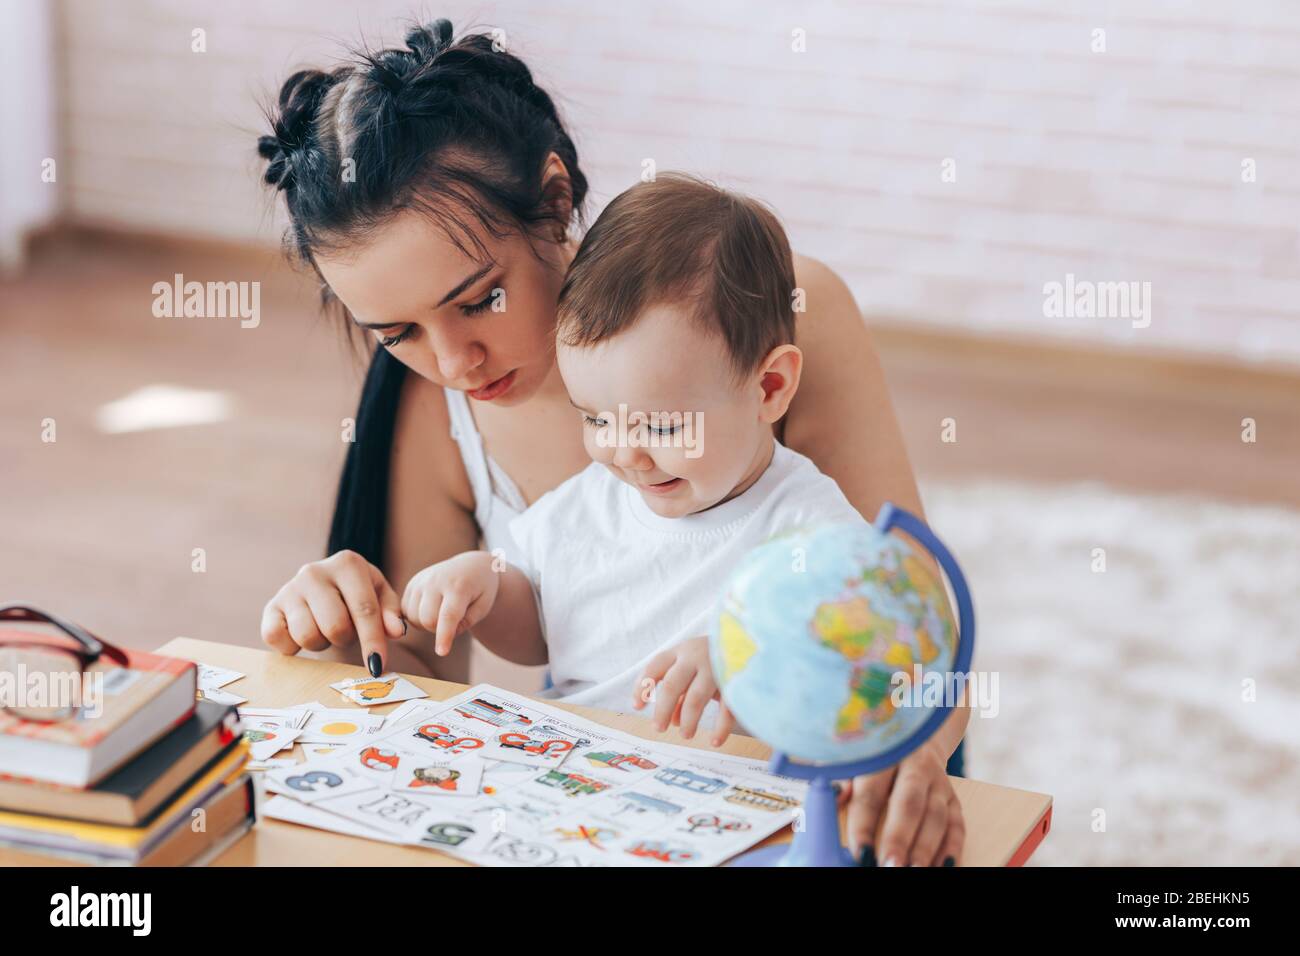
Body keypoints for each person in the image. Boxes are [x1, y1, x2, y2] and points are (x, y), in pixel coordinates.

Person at [256, 19, 968, 866]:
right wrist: (346, 619)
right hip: (613, 802)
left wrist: (902, 751)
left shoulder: (770, 313)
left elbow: (921, 633)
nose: (454, 363)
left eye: (480, 299)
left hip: (807, 783)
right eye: (395, 330)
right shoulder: (428, 403)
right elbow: (422, 675)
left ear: (554, 199)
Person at [401, 174, 868, 752]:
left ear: (769, 387)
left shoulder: (807, 527)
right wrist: (486, 588)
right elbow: (540, 634)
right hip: (579, 764)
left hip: (730, 786)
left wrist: (747, 662)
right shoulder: (588, 503)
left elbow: (869, 654)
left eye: (663, 425)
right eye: (596, 419)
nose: (624, 453)